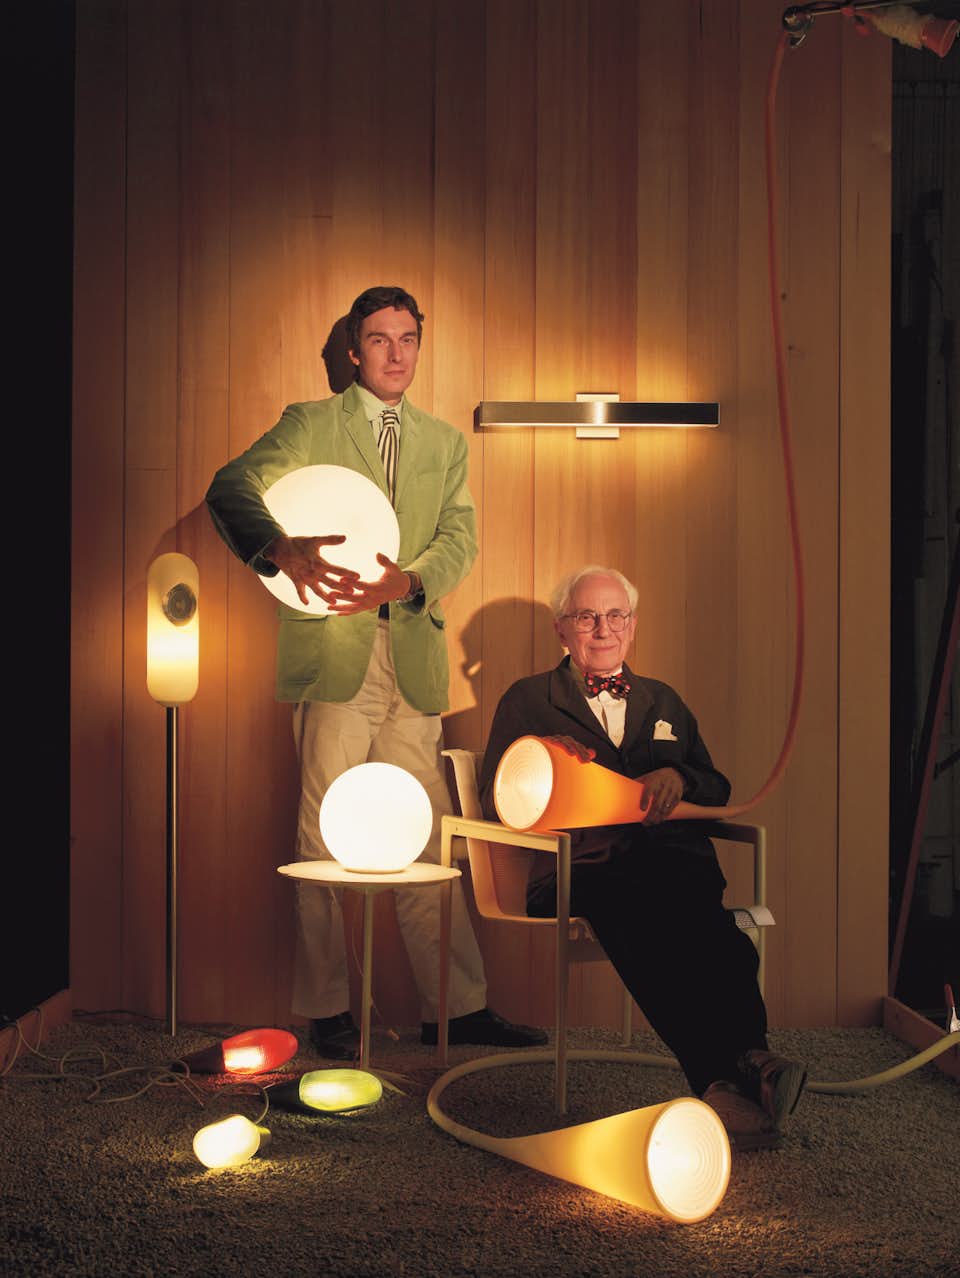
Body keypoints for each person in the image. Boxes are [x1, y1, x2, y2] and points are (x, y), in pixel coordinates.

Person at [206, 285, 544, 1058]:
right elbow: (231, 487)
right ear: (355, 351)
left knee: (426, 838)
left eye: (408, 339)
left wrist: (411, 580)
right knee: (321, 833)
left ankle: (455, 1009)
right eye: (381, 339)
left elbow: (459, 537)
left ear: (419, 346)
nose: (397, 353)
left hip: (414, 659)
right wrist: (277, 547)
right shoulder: (311, 424)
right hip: (334, 653)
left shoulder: (442, 442)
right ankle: (327, 1010)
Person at [478, 565, 806, 1150]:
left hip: (673, 865)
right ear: (562, 629)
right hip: (581, 869)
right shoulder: (528, 700)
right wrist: (543, 755)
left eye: (615, 616)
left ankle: (750, 1061)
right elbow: (492, 799)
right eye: (587, 616)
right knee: (650, 930)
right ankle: (720, 1076)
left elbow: (716, 786)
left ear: (632, 626)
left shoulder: (663, 699)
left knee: (715, 929)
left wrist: (680, 776)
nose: (603, 629)